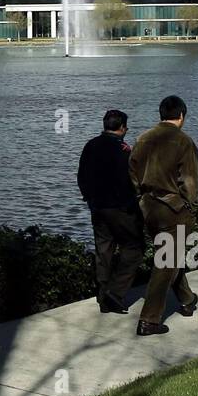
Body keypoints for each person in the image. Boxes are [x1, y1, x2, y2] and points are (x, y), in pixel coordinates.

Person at [129, 95, 198, 336]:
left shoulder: (142, 139)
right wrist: (189, 206)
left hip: (148, 208)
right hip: (173, 210)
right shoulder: (183, 141)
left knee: (168, 255)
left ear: (161, 115)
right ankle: (149, 320)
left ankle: (187, 299)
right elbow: (189, 182)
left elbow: (132, 176)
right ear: (181, 116)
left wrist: (140, 201)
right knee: (166, 261)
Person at [77, 109, 145, 314]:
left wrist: (89, 199)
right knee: (135, 248)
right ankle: (115, 293)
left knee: (103, 251)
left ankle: (103, 296)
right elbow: (133, 180)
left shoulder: (91, 145)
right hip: (120, 208)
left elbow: (81, 176)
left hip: (97, 207)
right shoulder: (124, 149)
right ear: (123, 127)